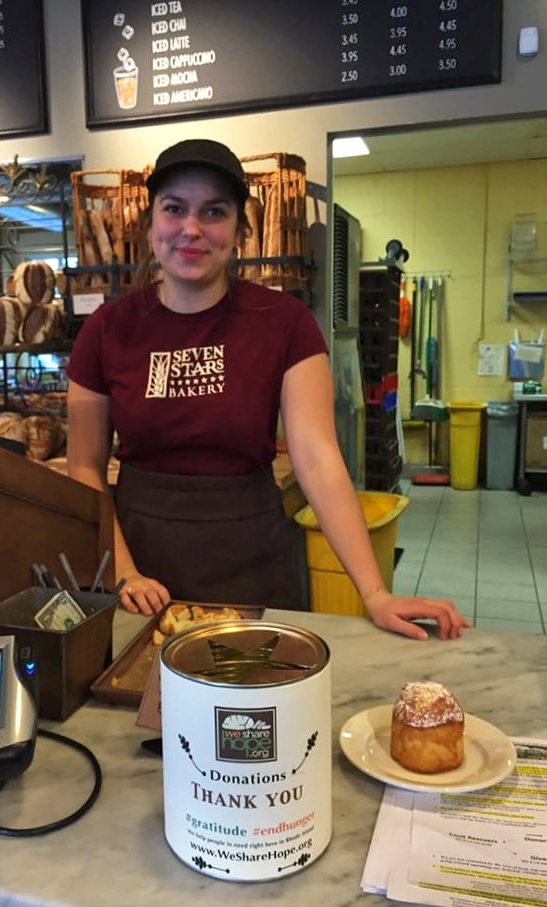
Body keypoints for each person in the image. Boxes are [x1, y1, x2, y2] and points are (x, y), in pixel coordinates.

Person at [66, 138, 469, 641]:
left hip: (253, 560)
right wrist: (122, 570)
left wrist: (374, 593)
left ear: (239, 230)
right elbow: (84, 467)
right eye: (174, 209)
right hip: (141, 568)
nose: (191, 228)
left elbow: (318, 458)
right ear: (150, 227)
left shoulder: (284, 323)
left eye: (214, 211)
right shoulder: (106, 330)